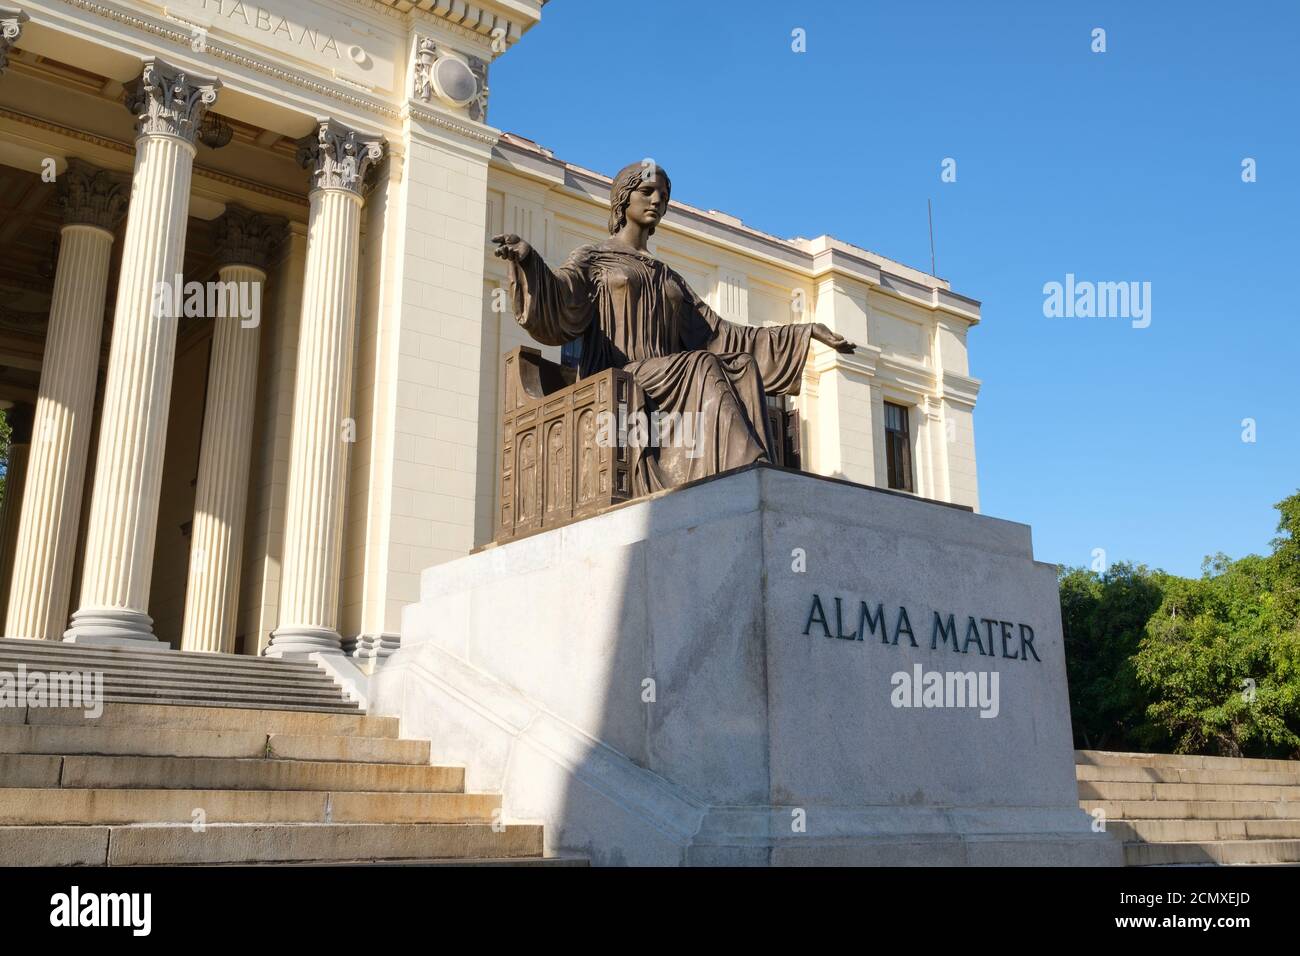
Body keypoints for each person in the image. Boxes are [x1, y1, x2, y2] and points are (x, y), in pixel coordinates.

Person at [492, 160, 855, 494]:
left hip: (669, 377)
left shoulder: (669, 276)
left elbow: (720, 335)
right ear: (623, 198)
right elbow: (560, 294)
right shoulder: (594, 257)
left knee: (742, 364)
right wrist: (529, 262)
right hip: (621, 376)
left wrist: (805, 332)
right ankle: (747, 471)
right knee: (700, 364)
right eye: (647, 191)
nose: (657, 201)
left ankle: (745, 474)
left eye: (663, 197)